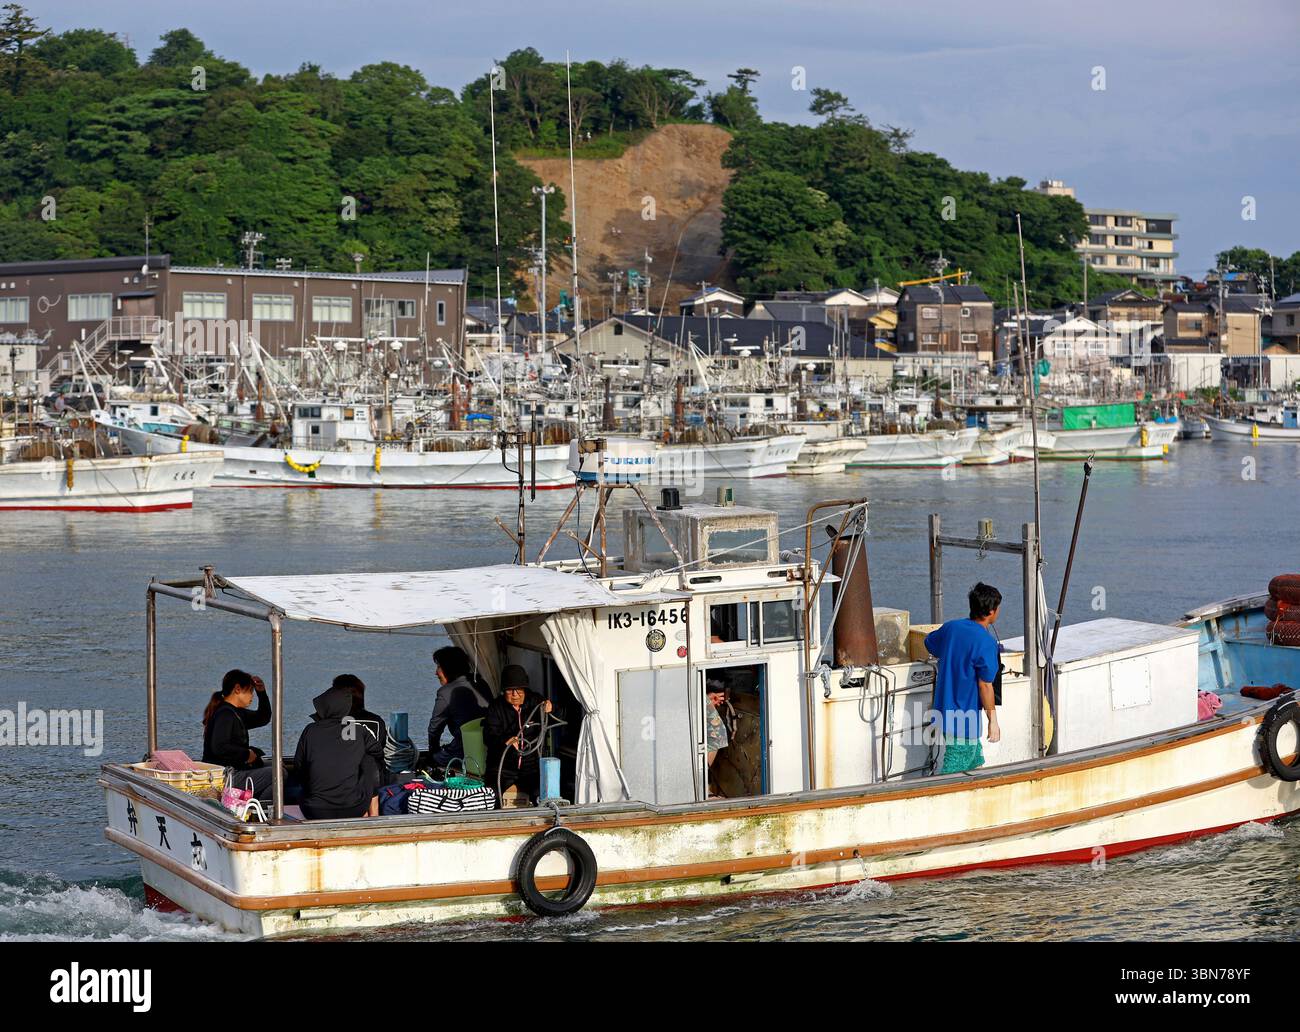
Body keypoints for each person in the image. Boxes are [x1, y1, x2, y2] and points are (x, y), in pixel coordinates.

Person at [923, 582, 1003, 774]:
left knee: (975, 761)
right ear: (991, 611)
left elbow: (929, 643)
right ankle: (938, 801)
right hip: (963, 717)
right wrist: (993, 721)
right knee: (952, 772)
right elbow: (985, 685)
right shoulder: (986, 643)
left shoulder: (951, 628)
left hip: (944, 710)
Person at [292, 685, 379, 820]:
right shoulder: (357, 730)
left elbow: (299, 767)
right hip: (354, 808)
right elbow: (378, 754)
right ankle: (374, 815)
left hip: (314, 810)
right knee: (369, 760)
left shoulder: (310, 730)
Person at [483, 665, 552, 807]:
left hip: (530, 767)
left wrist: (552, 709)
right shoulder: (495, 707)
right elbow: (488, 736)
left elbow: (560, 716)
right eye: (509, 690)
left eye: (519, 689)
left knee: (541, 795)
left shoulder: (536, 702)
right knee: (491, 797)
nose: (515, 694)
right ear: (503, 691)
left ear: (525, 689)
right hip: (502, 769)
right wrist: (504, 740)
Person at [202, 669, 276, 800]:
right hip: (226, 776)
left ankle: (253, 802)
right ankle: (258, 809)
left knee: (277, 766)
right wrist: (247, 754)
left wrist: (261, 693)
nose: (251, 696)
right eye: (250, 692)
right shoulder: (225, 714)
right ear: (237, 689)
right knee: (277, 774)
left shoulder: (236, 712)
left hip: (236, 768)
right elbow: (219, 747)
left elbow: (263, 717)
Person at [427, 646, 489, 771]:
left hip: (463, 752)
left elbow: (434, 729)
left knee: (434, 759)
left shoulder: (445, 693)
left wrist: (434, 753)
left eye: (439, 666)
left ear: (449, 668)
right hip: (490, 749)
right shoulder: (482, 683)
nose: (436, 672)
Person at [333, 674, 389, 788]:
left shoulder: (327, 724)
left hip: (338, 784)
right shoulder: (377, 721)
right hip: (371, 783)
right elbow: (380, 750)